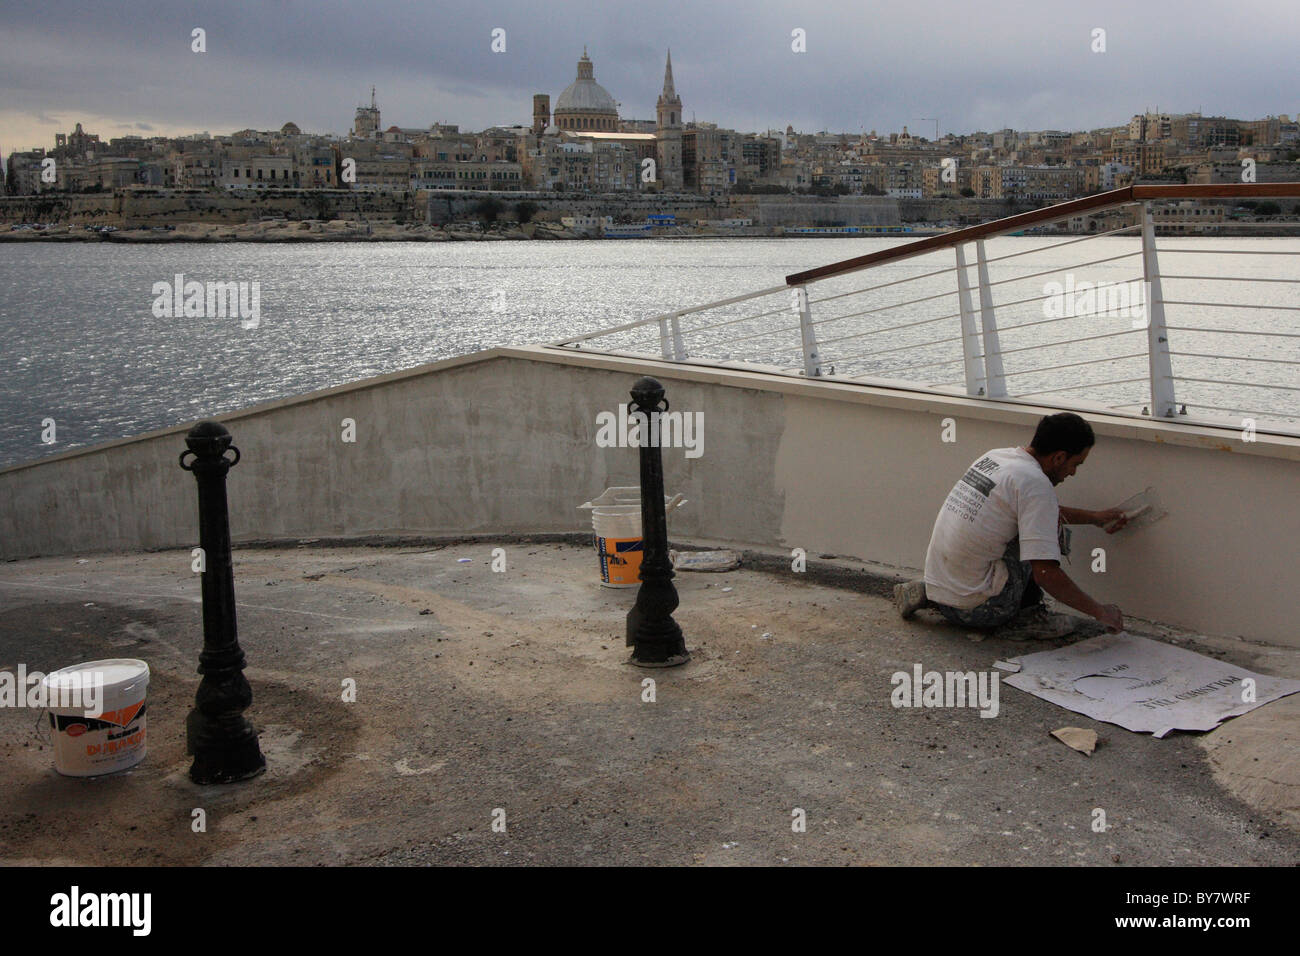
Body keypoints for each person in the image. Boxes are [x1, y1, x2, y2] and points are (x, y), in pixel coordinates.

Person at [894, 412, 1127, 639]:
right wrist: (1100, 611)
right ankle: (1024, 617)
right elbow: (1046, 573)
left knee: (1036, 524)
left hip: (943, 592)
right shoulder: (1035, 484)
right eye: (1075, 464)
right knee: (1048, 534)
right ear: (1058, 457)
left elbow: (1037, 510)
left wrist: (1096, 518)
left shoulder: (998, 458)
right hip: (981, 612)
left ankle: (927, 593)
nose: (1073, 473)